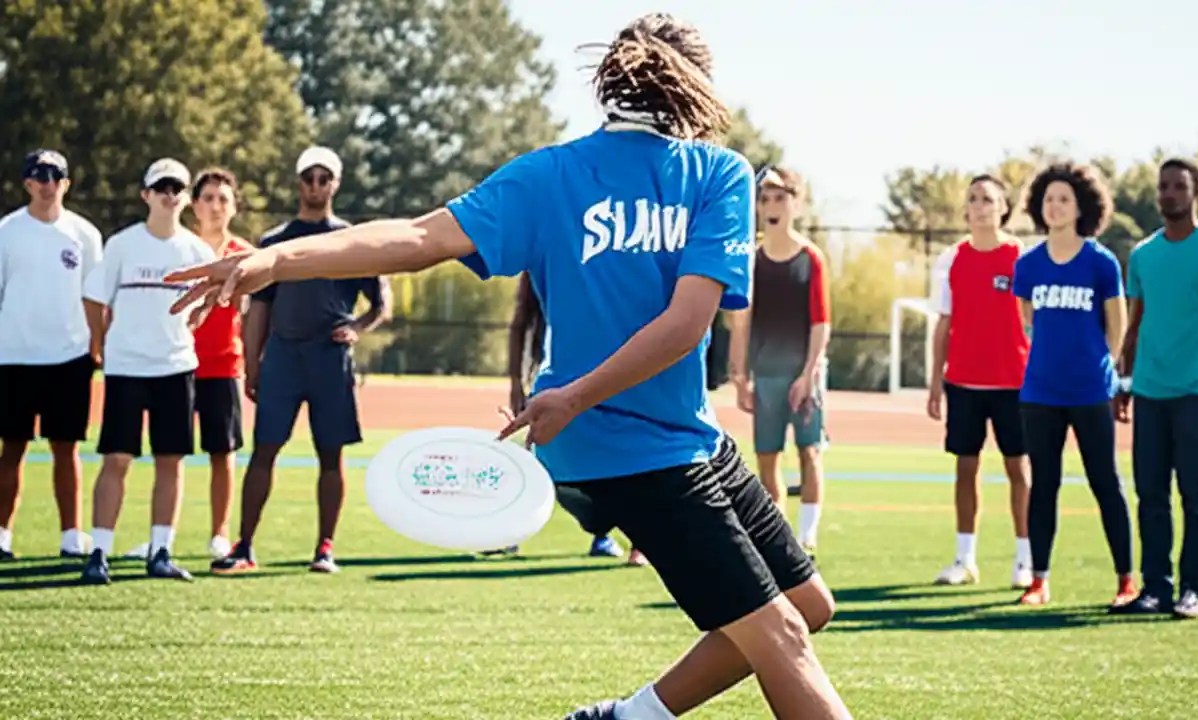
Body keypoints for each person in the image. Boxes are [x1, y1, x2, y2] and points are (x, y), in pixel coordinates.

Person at [168, 13, 848, 720]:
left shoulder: (694, 173)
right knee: (781, 636)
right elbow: (421, 239)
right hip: (621, 449)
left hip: (684, 436)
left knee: (806, 603)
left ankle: (630, 717)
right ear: (696, 85)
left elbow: (419, 237)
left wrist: (279, 257)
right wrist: (277, 257)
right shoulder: (596, 173)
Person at [210, 147, 390, 576]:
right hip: (284, 357)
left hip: (330, 359)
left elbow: (382, 301)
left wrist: (358, 327)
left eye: (324, 178)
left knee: (330, 454)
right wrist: (253, 364)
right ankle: (244, 545)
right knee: (264, 450)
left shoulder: (353, 240)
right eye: (309, 177)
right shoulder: (275, 241)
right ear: (298, 182)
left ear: (335, 184)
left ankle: (325, 548)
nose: (315, 185)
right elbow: (259, 308)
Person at [1112, 158, 1198, 620]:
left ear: (1197, 194)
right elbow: (1135, 323)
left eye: (1178, 186)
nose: (1169, 194)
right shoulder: (1144, 255)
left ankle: (1195, 590)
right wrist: (1124, 381)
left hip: (1197, 391)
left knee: (1195, 492)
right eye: (1163, 187)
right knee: (1150, 493)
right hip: (1150, 390)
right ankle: (1155, 588)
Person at [80, 158, 215, 584]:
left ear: (186, 198)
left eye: (177, 188)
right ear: (146, 195)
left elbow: (209, 301)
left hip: (175, 367)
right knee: (116, 458)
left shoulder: (198, 251)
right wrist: (100, 343)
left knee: (170, 461)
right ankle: (99, 552)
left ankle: (160, 551)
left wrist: (189, 327)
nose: (169, 195)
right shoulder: (122, 245)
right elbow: (94, 297)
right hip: (126, 368)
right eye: (161, 188)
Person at [1010, 162, 1137, 608]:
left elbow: (1117, 324)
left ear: (1082, 207)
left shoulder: (1101, 262)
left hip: (1090, 392)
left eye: (1065, 199)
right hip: (1040, 393)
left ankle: (1126, 580)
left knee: (1105, 482)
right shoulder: (1028, 265)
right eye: (1049, 199)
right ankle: (1039, 581)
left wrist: (1103, 369)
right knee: (1044, 484)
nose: (1056, 206)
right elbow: (1027, 320)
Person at [927, 175, 1033, 588]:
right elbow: (943, 323)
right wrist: (935, 382)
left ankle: (1025, 560)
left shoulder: (1022, 257)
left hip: (1014, 383)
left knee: (1018, 470)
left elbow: (1036, 320)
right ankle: (964, 559)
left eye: (988, 199)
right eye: (973, 199)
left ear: (1003, 207)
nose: (980, 205)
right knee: (965, 469)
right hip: (964, 383)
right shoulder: (951, 259)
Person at [0, 149, 101, 560]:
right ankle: (1, 535)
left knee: (66, 448)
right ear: (27, 183)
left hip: (69, 357)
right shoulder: (7, 232)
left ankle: (71, 535)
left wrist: (97, 347)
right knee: (12, 449)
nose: (48, 184)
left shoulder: (85, 234)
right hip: (14, 356)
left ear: (67, 183)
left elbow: (95, 298)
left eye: (55, 176)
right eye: (39, 176)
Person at [507, 272, 647, 566]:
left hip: (611, 379)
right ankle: (510, 530)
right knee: (540, 455)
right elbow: (522, 320)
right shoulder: (541, 264)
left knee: (629, 454)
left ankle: (631, 541)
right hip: (555, 381)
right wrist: (516, 382)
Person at [728, 166, 831, 558]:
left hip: (804, 375)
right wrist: (740, 376)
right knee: (767, 458)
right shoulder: (750, 260)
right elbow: (741, 321)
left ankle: (808, 537)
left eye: (781, 198)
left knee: (810, 452)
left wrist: (809, 373)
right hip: (766, 375)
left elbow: (821, 322)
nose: (772, 206)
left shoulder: (810, 258)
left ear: (796, 204)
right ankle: (779, 539)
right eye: (765, 199)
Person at [190, 168, 253, 558]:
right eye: (208, 198)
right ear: (195, 205)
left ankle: (219, 532)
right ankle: (161, 535)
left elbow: (253, 314)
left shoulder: (246, 255)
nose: (216, 206)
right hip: (177, 364)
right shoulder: (180, 249)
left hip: (223, 366)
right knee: (169, 453)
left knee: (222, 453)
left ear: (234, 207)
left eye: (223, 199)